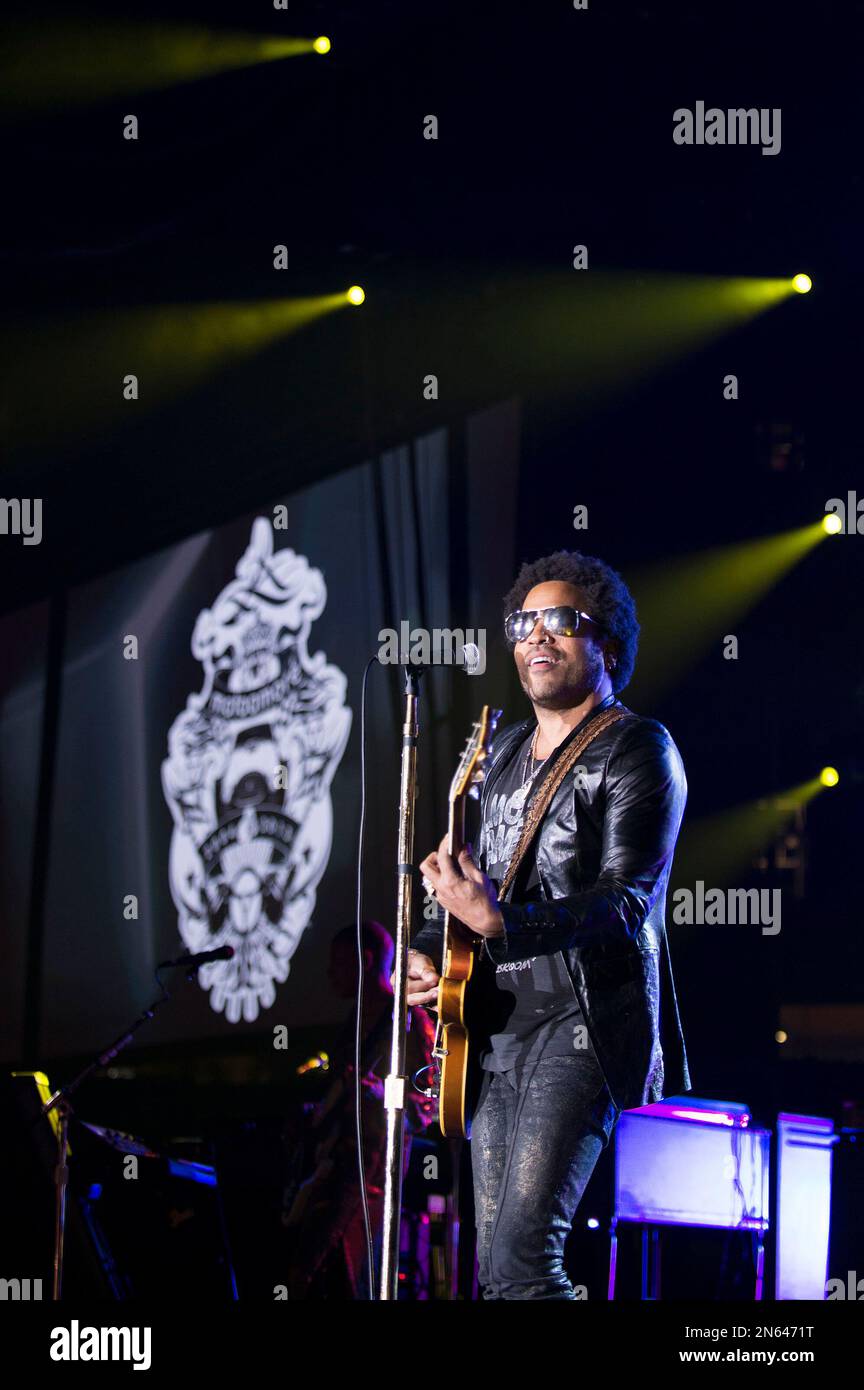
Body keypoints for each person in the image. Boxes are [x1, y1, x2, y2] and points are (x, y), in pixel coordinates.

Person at [410, 549, 690, 1300]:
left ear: (607, 644)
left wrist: (501, 925)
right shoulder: (498, 754)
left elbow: (624, 901)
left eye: (563, 621)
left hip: (584, 1022)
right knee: (493, 1275)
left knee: (524, 1264)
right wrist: (436, 954)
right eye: (525, 622)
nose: (539, 635)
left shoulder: (637, 748)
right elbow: (479, 890)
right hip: (495, 1023)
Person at [282, 920, 435, 1298]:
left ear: (365, 961)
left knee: (350, 1283)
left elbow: (427, 1107)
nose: (331, 973)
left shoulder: (407, 1021)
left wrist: (376, 1093)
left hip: (371, 1180)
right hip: (338, 1171)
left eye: (339, 962)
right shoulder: (354, 1022)